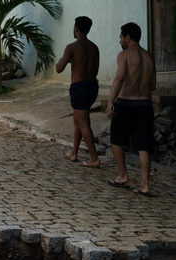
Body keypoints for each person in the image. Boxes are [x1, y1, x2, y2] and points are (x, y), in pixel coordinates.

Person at [106, 22, 157, 196]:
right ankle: (145, 185)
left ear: (128, 37)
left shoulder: (124, 55)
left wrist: (110, 101)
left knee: (117, 140)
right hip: (145, 105)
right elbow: (153, 86)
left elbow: (119, 79)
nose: (120, 41)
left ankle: (122, 175)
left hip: (126, 104)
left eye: (121, 37)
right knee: (143, 147)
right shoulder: (150, 57)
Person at [56, 16, 101, 167]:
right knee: (77, 120)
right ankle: (74, 152)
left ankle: (94, 158)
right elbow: (95, 70)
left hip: (79, 87)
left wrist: (65, 59)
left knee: (83, 123)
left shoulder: (71, 47)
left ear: (76, 28)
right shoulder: (94, 47)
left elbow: (58, 68)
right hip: (92, 87)